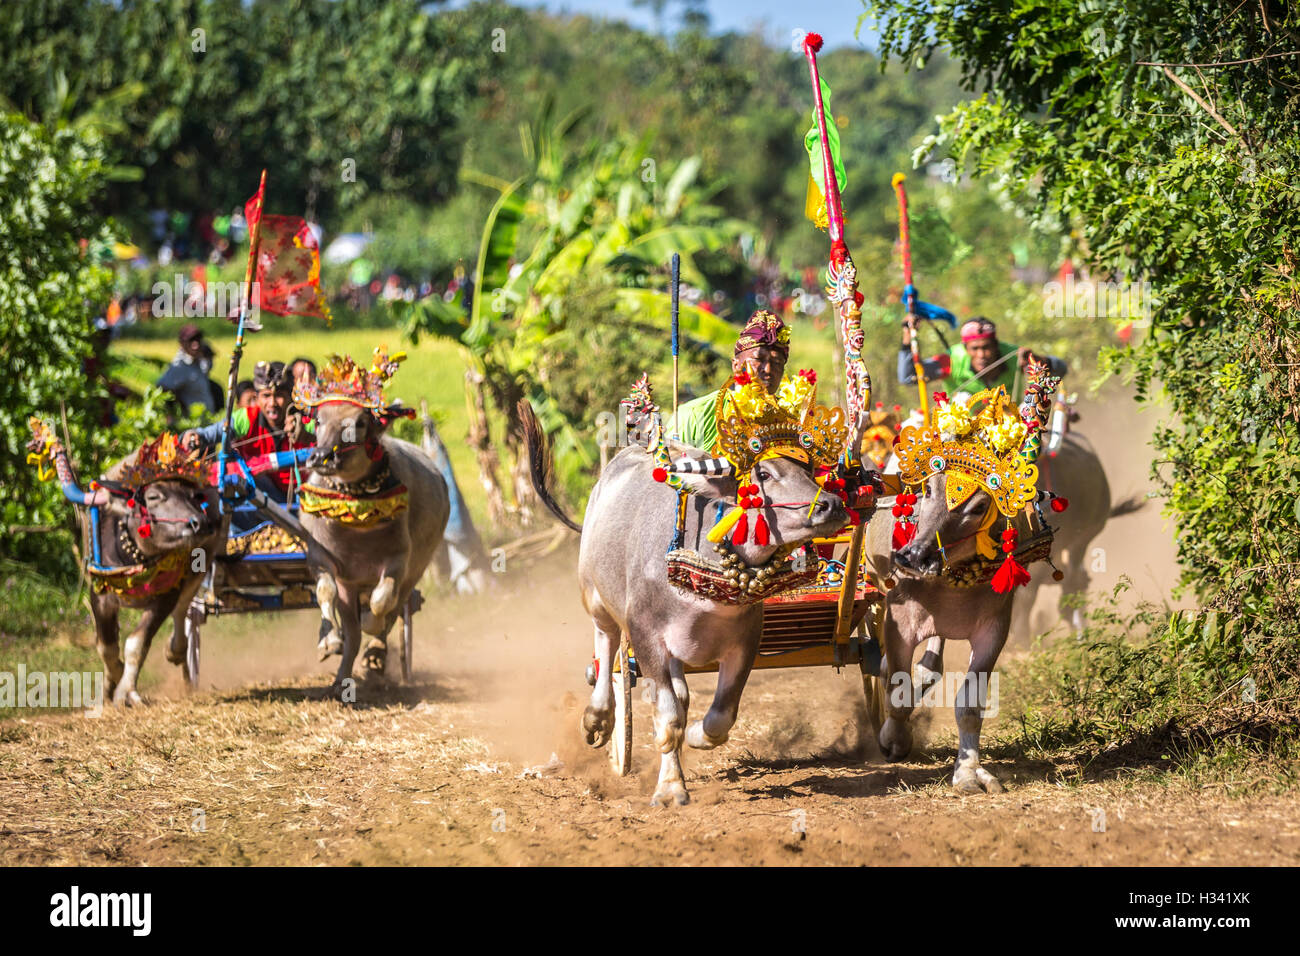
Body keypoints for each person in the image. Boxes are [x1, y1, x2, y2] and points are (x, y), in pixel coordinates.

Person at [182, 361, 314, 523]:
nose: (272, 403)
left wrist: (308, 434)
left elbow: (335, 441)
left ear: (291, 396)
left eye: (279, 395)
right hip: (259, 500)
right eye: (266, 396)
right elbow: (209, 434)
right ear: (256, 397)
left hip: (304, 501)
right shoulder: (246, 418)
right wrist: (193, 436)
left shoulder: (308, 420)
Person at [669, 309, 789, 452]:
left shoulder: (791, 421)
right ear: (736, 365)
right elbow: (667, 470)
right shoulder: (695, 414)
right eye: (758, 360)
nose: (768, 370)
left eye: (777, 363)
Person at [898, 316, 1068, 398]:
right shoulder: (951, 360)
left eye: (986, 348)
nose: (981, 355)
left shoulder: (1015, 355)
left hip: (1009, 435)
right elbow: (908, 377)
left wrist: (1037, 360)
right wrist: (908, 335)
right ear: (966, 348)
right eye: (975, 349)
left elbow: (1061, 369)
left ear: (996, 345)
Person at [157, 324, 222, 413]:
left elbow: (207, 369)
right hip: (192, 422)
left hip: (206, 419)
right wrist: (179, 407)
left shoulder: (198, 360)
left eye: (198, 340)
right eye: (191, 340)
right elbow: (163, 388)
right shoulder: (180, 366)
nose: (195, 345)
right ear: (182, 343)